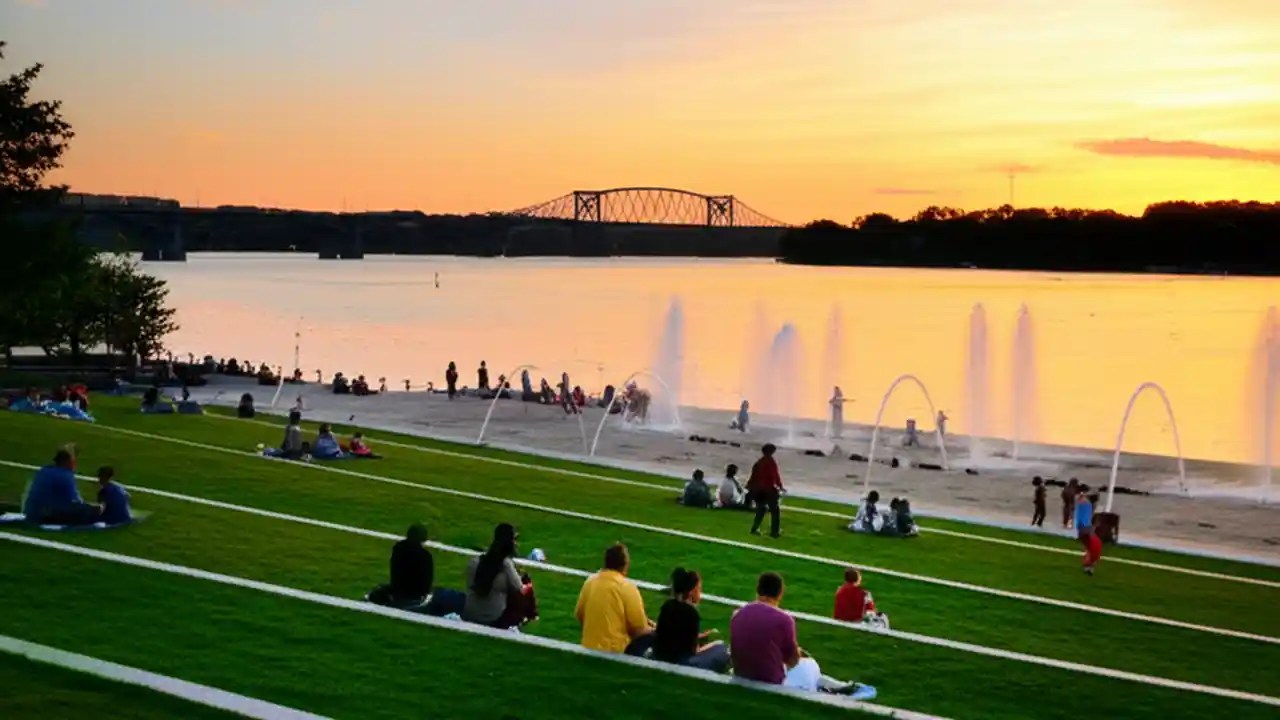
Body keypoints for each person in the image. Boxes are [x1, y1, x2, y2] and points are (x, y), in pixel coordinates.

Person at [731, 572, 866, 696]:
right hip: (770, 682)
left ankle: (838, 686)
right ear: (780, 594)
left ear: (758, 590)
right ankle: (835, 688)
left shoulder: (737, 614)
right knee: (810, 665)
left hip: (741, 675)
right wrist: (795, 654)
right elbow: (793, 660)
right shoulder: (783, 619)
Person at [575, 543, 653, 654]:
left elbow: (579, 614)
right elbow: (638, 629)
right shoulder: (626, 587)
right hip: (616, 650)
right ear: (624, 565)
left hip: (589, 646)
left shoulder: (590, 582)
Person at [652, 568, 729, 672]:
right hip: (683, 663)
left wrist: (702, 636)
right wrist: (713, 644)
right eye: (699, 589)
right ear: (692, 592)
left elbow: (670, 636)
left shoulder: (667, 606)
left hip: (659, 656)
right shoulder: (691, 613)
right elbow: (694, 651)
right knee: (722, 648)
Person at [464, 523, 537, 628]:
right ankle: (529, 617)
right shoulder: (505, 564)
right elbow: (521, 590)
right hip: (493, 618)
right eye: (515, 540)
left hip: (469, 613)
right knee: (526, 586)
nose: (517, 544)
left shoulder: (475, 561)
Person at [22, 449, 99, 525]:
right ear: (66, 462)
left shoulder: (44, 470)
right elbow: (74, 501)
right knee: (92, 511)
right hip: (48, 515)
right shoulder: (65, 475)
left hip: (32, 512)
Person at [369, 523, 434, 609]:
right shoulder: (426, 556)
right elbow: (427, 582)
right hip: (415, 597)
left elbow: (394, 572)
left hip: (397, 592)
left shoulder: (398, 548)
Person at [747, 444, 785, 538]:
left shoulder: (759, 463)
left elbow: (753, 476)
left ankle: (755, 528)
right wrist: (780, 486)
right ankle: (774, 531)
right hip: (768, 490)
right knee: (775, 511)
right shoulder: (771, 462)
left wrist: (749, 487)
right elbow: (775, 475)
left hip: (758, 490)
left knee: (761, 509)